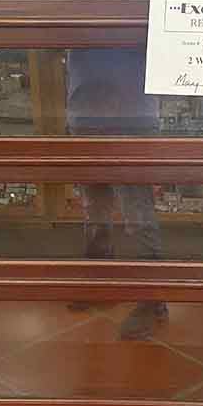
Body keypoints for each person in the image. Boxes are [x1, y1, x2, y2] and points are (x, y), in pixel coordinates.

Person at [65, 48, 168, 339]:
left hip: (132, 115)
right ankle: (99, 284)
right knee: (94, 209)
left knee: (137, 212)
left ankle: (153, 300)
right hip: (85, 114)